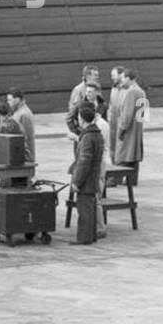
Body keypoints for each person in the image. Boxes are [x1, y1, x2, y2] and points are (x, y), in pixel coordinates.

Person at [69, 104, 104, 245]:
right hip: (94, 177)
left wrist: (76, 182)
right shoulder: (97, 134)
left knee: (84, 210)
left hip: (86, 180)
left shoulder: (87, 137)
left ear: (82, 119)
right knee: (90, 207)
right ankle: (91, 236)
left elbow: (84, 162)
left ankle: (84, 238)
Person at [113, 68, 145, 183]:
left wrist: (121, 129)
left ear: (128, 78)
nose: (121, 81)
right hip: (137, 129)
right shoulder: (141, 91)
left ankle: (114, 180)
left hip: (129, 130)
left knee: (123, 154)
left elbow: (127, 115)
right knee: (133, 155)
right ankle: (132, 180)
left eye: (122, 78)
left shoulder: (131, 92)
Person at [6, 89, 36, 164]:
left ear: (17, 99)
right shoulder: (18, 112)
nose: (8, 102)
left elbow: (25, 137)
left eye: (10, 100)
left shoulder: (23, 114)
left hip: (24, 156)